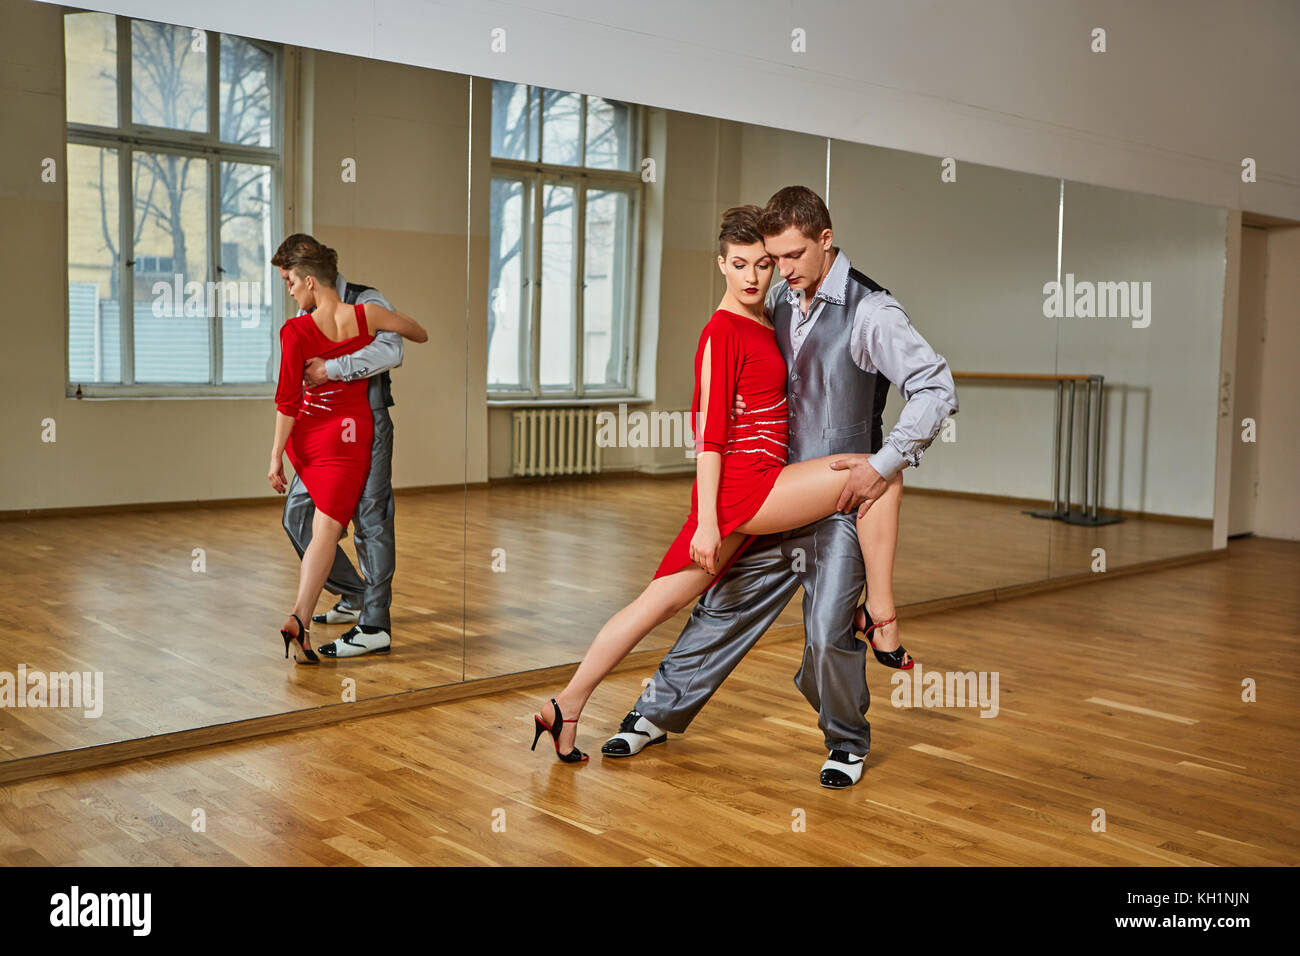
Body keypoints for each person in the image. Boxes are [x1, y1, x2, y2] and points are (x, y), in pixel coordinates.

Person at [532, 203, 917, 772]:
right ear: (722, 265)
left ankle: (566, 705)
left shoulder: (771, 314)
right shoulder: (723, 329)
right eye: (741, 265)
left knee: (658, 603)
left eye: (764, 264)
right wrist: (710, 522)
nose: (756, 276)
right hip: (747, 488)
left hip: (762, 484)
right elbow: (708, 438)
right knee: (878, 469)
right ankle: (880, 617)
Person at [268, 241, 427, 663]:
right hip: (319, 431)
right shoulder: (307, 315)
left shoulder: (366, 300)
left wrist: (331, 368)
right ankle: (353, 593)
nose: (287, 288)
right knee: (298, 517)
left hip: (365, 424)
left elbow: (395, 349)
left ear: (308, 275)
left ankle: (374, 622)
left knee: (370, 519)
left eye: (288, 280)